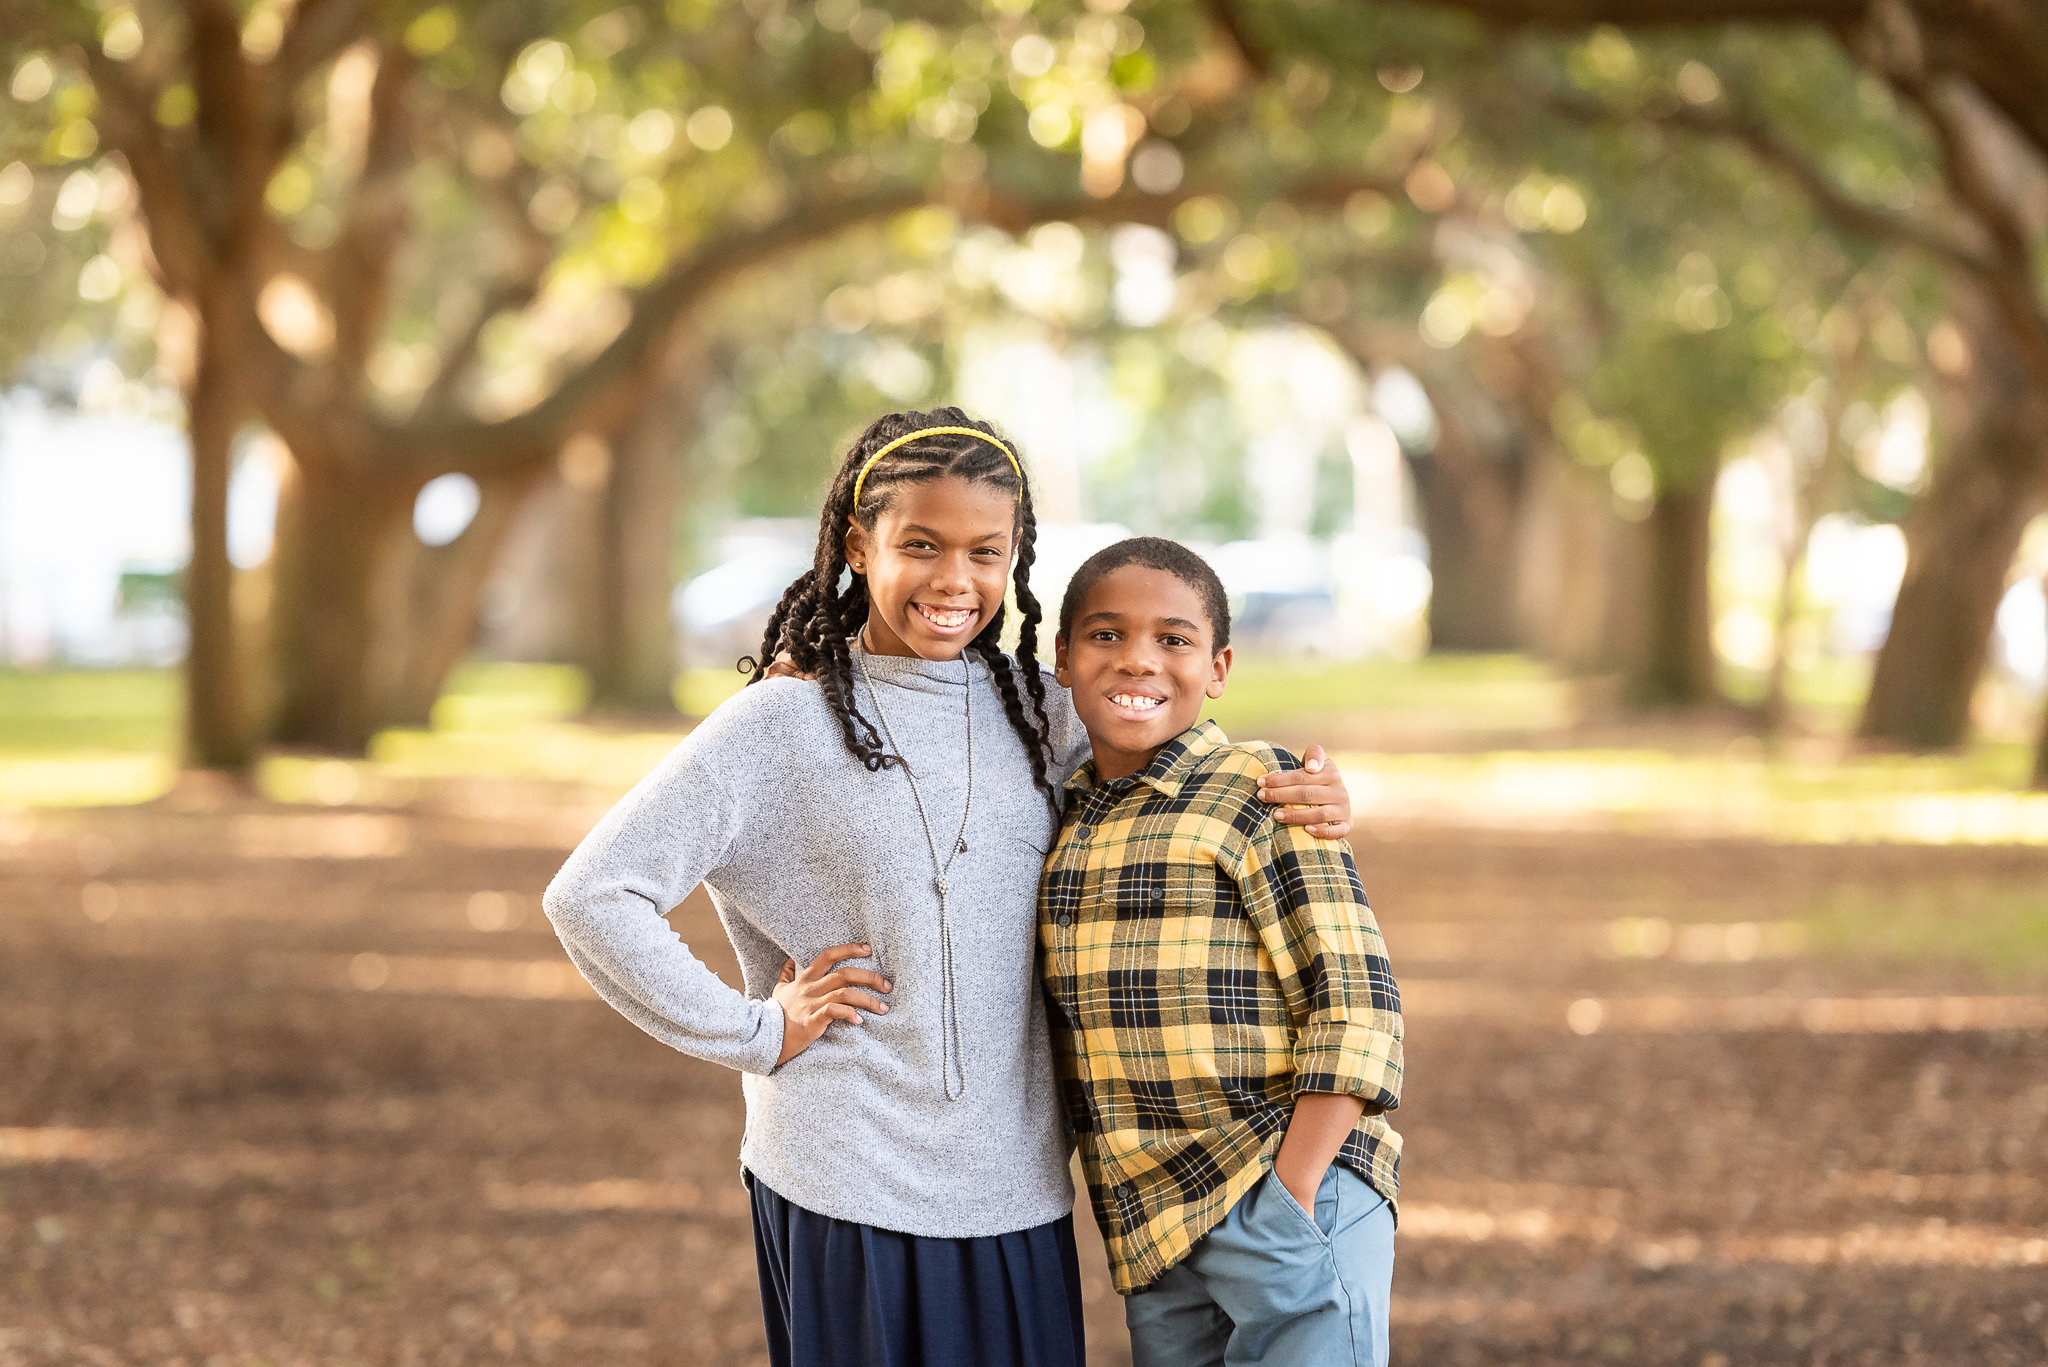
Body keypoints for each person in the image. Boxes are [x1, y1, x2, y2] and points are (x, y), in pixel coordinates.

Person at [541, 411, 1357, 1367]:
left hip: (1017, 1183)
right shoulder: (779, 724)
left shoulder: (1042, 712)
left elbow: (1173, 757)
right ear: (858, 545)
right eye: (920, 545)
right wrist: (755, 1031)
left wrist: (1308, 788)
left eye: (985, 552)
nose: (953, 580)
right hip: (847, 1174)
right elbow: (593, 894)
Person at [1040, 536, 1404, 1367]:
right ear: (1062, 657)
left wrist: (1294, 1189)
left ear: (1219, 667)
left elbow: (1358, 1005)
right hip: (1154, 1230)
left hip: (1277, 1187)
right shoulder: (1063, 815)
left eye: (1173, 638)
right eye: (1106, 634)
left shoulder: (1263, 788)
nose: (1138, 659)